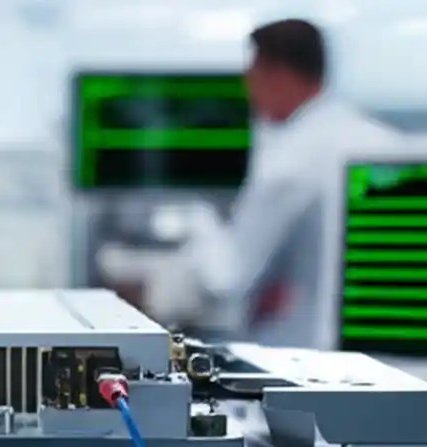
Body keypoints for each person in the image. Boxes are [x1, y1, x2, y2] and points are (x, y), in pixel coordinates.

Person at [105, 19, 399, 347]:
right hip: (384, 346)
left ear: (277, 74)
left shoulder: (290, 160)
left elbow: (227, 277)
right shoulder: (380, 141)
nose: (249, 93)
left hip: (307, 356)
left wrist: (197, 219)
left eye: (252, 76)